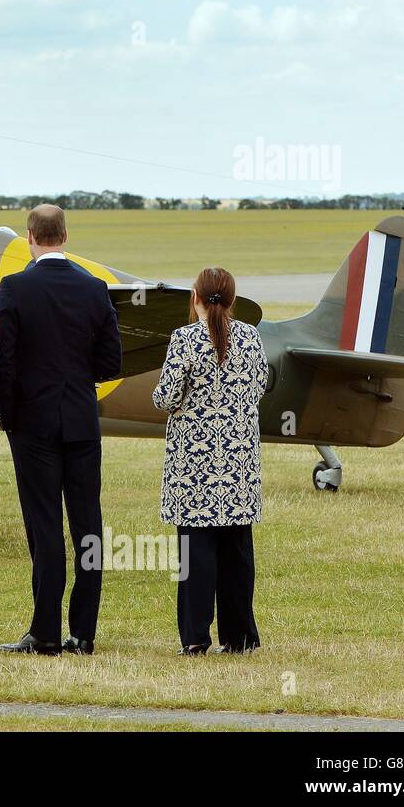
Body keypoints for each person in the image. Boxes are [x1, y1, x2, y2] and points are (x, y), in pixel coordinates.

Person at [0, 205, 122, 656]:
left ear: (30, 236)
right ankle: (83, 632)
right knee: (88, 524)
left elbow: (4, 362)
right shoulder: (94, 288)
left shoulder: (14, 287)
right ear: (64, 235)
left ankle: (45, 630)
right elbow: (111, 362)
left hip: (33, 422)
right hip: (81, 419)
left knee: (44, 524)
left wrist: (8, 416)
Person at [152, 267, 268, 656]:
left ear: (196, 298)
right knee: (237, 553)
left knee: (195, 554)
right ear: (233, 300)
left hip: (193, 466)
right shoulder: (251, 337)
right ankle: (240, 637)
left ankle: (195, 637)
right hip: (238, 462)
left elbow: (165, 397)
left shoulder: (184, 341)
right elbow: (259, 386)